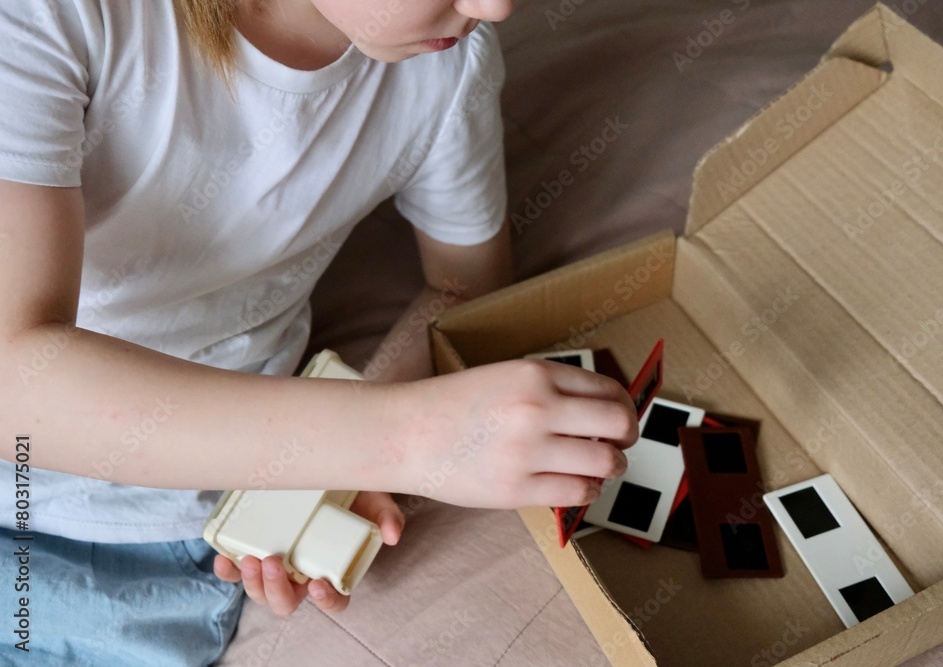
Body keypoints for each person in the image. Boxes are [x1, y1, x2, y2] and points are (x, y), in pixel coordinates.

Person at [0, 0, 637, 664]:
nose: (495, 7)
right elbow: (13, 379)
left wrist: (337, 467)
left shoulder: (449, 66)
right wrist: (400, 437)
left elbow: (464, 289)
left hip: (164, 543)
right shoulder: (55, 16)